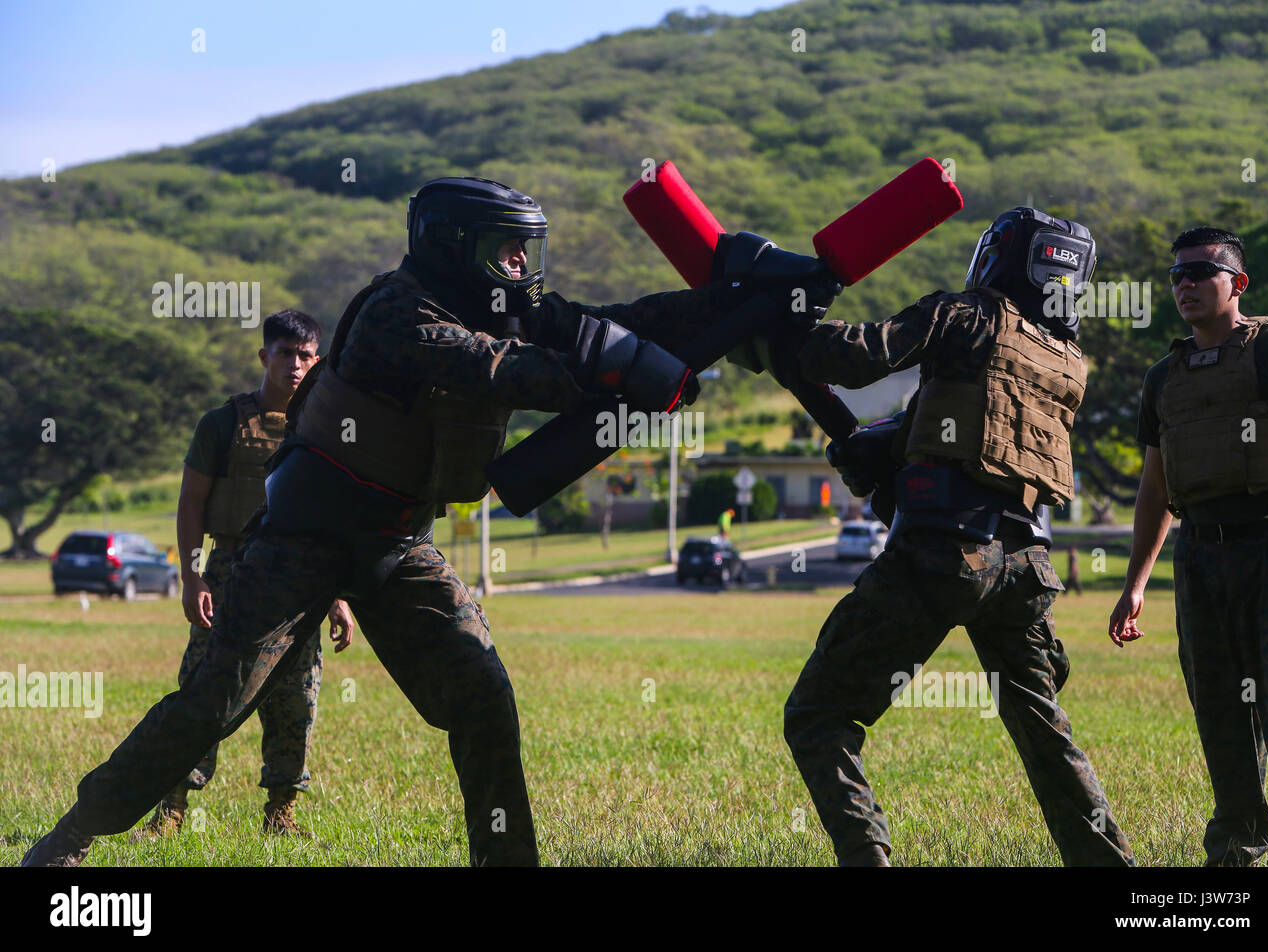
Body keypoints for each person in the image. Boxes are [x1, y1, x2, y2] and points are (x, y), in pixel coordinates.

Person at [23, 176, 809, 867]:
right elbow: (515, 370)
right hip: (305, 537)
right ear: (451, 247)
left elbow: (611, 321)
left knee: (482, 699)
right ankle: (64, 842)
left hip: (397, 541)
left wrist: (742, 305)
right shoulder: (397, 314)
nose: (518, 271)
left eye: (524, 255)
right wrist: (641, 368)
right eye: (505, 253)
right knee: (210, 707)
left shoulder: (488, 306)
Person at [766, 207, 1134, 865]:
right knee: (1047, 738)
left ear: (1001, 257)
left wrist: (786, 328)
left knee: (818, 716)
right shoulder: (1068, 362)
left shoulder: (968, 315)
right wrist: (890, 452)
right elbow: (970, 423)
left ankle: (866, 855)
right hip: (1026, 570)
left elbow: (853, 359)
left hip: (943, 553)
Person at [1109, 226, 1268, 866]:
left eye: (1200, 273)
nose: (1185, 285)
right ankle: (1235, 847)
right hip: (1199, 557)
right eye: (1176, 277)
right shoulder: (1164, 376)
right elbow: (1156, 485)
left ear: (1237, 283)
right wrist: (1135, 582)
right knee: (1219, 706)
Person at [135, 310, 354, 841]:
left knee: (296, 698)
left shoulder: (326, 428)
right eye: (285, 353)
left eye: (306, 357)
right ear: (264, 357)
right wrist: (192, 579)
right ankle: (172, 811)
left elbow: (338, 516)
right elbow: (191, 502)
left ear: (318, 362)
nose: (295, 366)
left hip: (302, 577)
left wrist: (340, 598)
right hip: (232, 569)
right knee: (203, 689)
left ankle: (282, 814)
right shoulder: (223, 423)